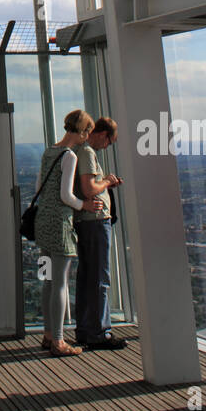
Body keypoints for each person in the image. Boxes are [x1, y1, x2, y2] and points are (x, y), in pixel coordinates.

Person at [34, 110, 104, 356]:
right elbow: (66, 195)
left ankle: (48, 334)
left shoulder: (48, 152)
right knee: (60, 283)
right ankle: (59, 341)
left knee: (47, 280)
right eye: (87, 133)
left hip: (42, 224)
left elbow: (39, 187)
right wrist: (84, 205)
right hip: (60, 225)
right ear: (83, 131)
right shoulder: (69, 156)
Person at [73, 116, 126, 350]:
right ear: (103, 135)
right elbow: (89, 188)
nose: (107, 147)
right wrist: (106, 182)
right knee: (99, 277)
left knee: (88, 276)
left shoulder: (79, 151)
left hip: (87, 222)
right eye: (109, 142)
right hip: (95, 222)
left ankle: (86, 329)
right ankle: (99, 332)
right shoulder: (87, 153)